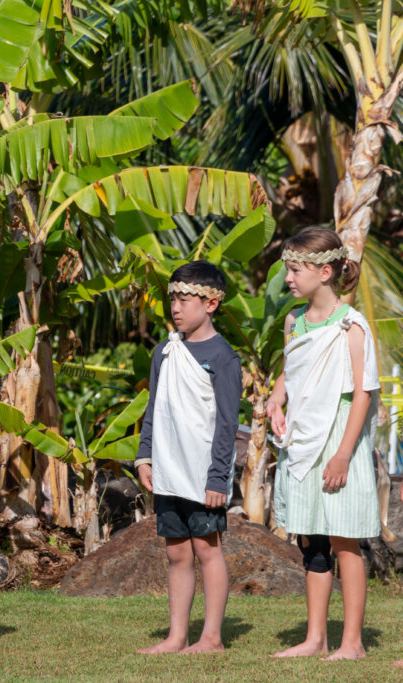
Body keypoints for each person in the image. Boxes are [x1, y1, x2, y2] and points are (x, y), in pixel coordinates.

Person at [269, 227, 380, 660]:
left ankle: (352, 643)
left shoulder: (351, 325)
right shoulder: (293, 321)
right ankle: (315, 639)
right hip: (302, 437)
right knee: (311, 540)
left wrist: (344, 454)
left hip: (338, 438)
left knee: (344, 539)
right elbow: (292, 368)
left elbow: (363, 392)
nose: (288, 279)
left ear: (325, 272)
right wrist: (277, 397)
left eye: (295, 270)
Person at [133, 261, 242, 655]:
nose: (176, 307)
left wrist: (217, 477)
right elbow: (154, 407)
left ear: (211, 303)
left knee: (207, 549)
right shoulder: (164, 351)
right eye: (173, 299)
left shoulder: (224, 357)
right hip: (169, 469)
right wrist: (144, 456)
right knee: (176, 552)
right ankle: (176, 636)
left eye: (185, 299)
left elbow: (227, 423)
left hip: (202, 473)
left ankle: (211, 638)